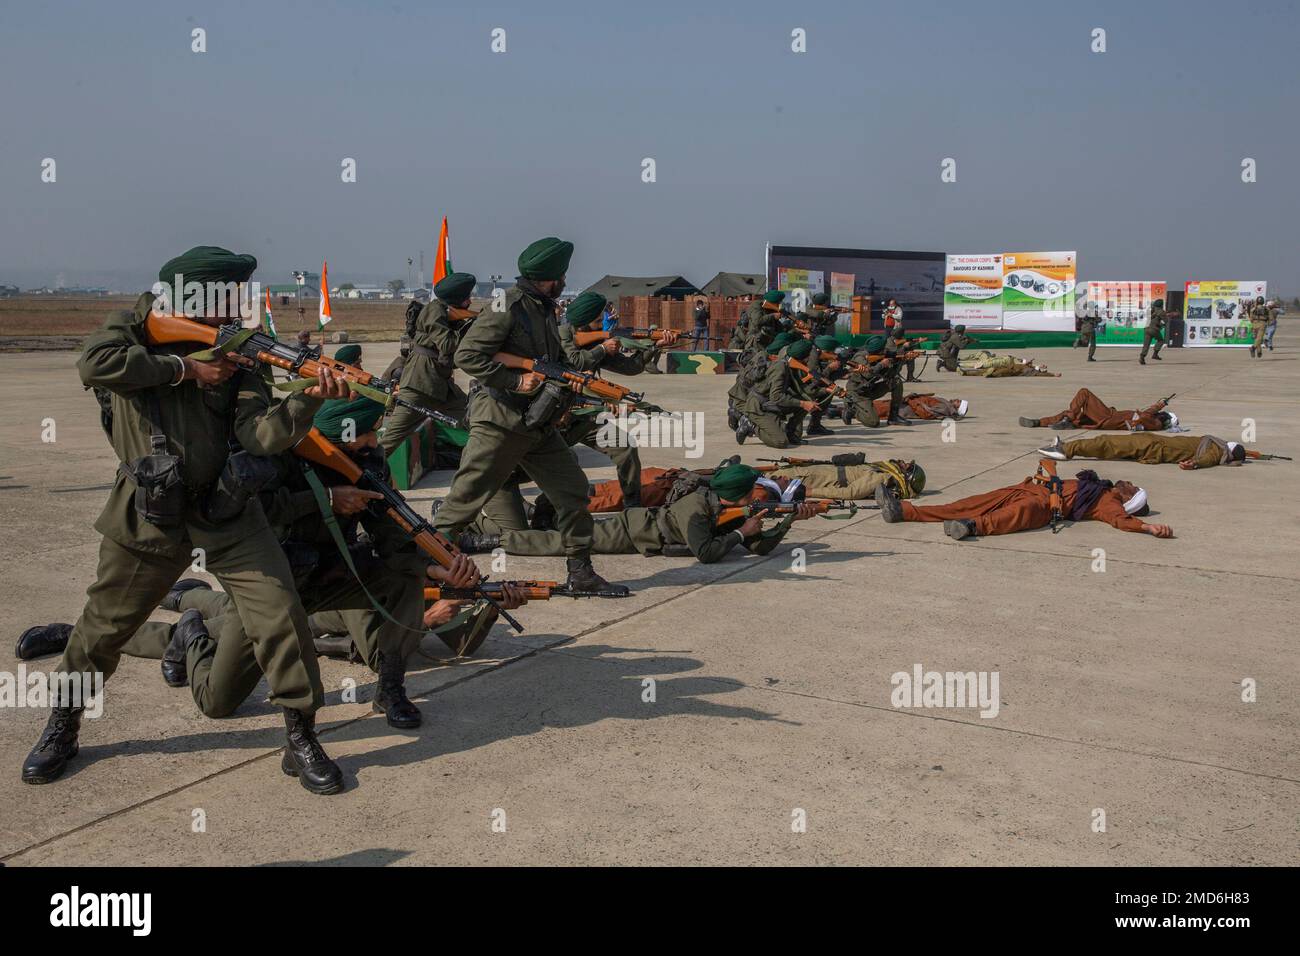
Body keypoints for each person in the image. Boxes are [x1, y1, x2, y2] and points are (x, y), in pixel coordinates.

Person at [20, 246, 352, 794]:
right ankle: (64, 724)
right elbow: (93, 363)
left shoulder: (238, 350)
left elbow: (257, 436)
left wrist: (307, 401)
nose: (236, 311)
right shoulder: (135, 326)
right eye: (227, 300)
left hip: (226, 511)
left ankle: (300, 734)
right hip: (149, 514)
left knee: (281, 615)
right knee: (104, 628)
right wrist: (186, 368)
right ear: (194, 297)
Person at [429, 237, 627, 595]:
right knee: (463, 501)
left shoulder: (544, 307)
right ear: (549, 277)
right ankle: (429, 572)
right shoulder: (509, 305)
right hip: (501, 421)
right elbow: (468, 355)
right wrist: (516, 380)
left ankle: (580, 572)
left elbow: (553, 361)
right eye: (562, 274)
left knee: (573, 491)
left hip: (539, 422)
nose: (565, 280)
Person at [459, 464, 821, 564]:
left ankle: (477, 522)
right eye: (750, 498)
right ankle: (482, 539)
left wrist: (789, 519)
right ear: (736, 496)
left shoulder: (725, 508)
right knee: (555, 543)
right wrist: (742, 533)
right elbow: (707, 553)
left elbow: (759, 548)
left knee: (553, 533)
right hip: (627, 532)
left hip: (636, 531)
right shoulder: (696, 508)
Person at [875, 469, 1172, 540]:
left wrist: (1147, 527)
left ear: (1129, 499)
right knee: (966, 502)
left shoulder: (1108, 502)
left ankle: (969, 528)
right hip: (1029, 487)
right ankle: (902, 511)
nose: (1128, 483)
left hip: (1045, 507)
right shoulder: (1098, 484)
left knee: (1012, 516)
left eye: (1133, 489)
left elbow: (1120, 521)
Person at [379, 272, 477, 456]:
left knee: (477, 420)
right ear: (456, 298)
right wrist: (470, 327)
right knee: (388, 443)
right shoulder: (435, 311)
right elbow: (447, 344)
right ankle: (359, 474)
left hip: (442, 387)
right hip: (419, 386)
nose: (470, 302)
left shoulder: (447, 314)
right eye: (467, 298)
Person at [735, 338, 821, 448]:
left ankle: (791, 434)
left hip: (768, 404)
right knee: (780, 442)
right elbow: (776, 396)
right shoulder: (781, 368)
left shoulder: (791, 365)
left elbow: (802, 390)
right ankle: (750, 425)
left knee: (804, 401)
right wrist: (803, 404)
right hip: (758, 407)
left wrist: (827, 391)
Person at [1036, 433, 1265, 469]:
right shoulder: (1217, 446)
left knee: (1108, 444)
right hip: (1155, 443)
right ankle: (1067, 447)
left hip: (1153, 447)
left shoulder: (1218, 451)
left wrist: (1194, 464)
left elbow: (1208, 459)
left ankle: (1066, 450)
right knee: (1110, 443)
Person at [1018, 388, 1175, 431]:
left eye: (1164, 415)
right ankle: (1038, 422)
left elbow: (1147, 413)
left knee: (1084, 393)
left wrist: (1160, 405)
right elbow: (1147, 413)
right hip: (1108, 417)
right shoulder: (1150, 421)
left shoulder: (1154, 423)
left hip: (1108, 417)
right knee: (1070, 415)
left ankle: (1068, 419)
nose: (1162, 414)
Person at [840, 335, 908, 428]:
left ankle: (894, 416)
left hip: (869, 389)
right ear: (877, 349)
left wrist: (900, 361)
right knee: (873, 422)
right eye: (882, 348)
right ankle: (852, 410)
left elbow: (890, 375)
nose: (885, 349)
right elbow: (868, 374)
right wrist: (881, 364)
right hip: (857, 393)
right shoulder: (860, 357)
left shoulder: (881, 355)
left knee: (896, 381)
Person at [1139, 299, 1167, 365]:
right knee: (1161, 340)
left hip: (1146, 328)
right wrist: (1162, 325)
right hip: (1154, 329)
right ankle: (1155, 354)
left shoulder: (1151, 310)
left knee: (1146, 344)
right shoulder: (1161, 311)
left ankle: (1142, 356)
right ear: (1161, 305)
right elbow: (1165, 321)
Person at [1073, 295, 1099, 361]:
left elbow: (1078, 318)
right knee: (1093, 343)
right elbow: (1099, 319)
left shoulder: (1082, 312)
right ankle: (1090, 357)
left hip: (1083, 328)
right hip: (1090, 328)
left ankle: (1079, 341)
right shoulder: (1093, 312)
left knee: (1084, 342)